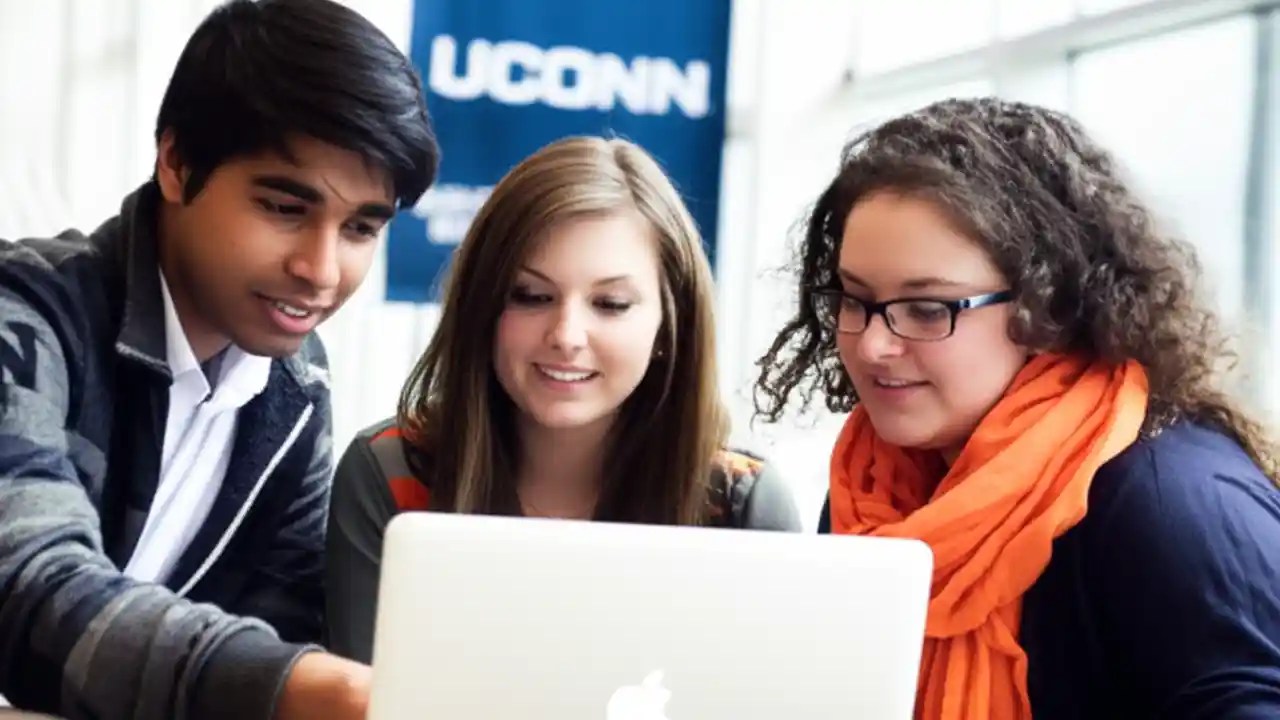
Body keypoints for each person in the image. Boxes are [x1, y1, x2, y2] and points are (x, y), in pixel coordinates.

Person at [753, 97, 1280, 719]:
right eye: (854, 299)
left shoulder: (1168, 501)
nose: (871, 344)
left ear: (1049, 306)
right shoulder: (876, 491)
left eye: (927, 309)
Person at [0, 1, 439, 718]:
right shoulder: (28, 317)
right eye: (285, 208)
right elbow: (29, 590)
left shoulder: (295, 390)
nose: (321, 270)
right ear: (176, 164)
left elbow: (279, 624)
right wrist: (303, 686)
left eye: (361, 227)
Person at [325, 136, 801, 662]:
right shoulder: (391, 473)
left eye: (611, 304)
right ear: (483, 308)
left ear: (670, 323)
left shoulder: (741, 505)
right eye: (532, 296)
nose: (567, 334)